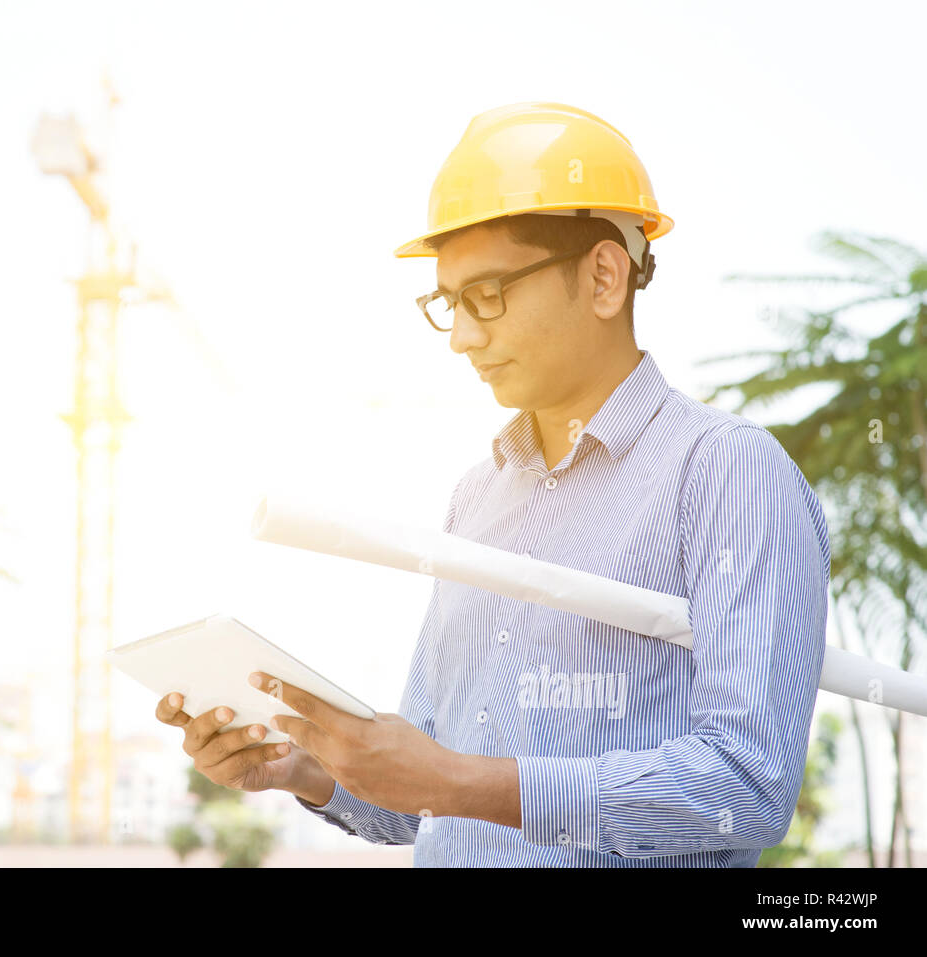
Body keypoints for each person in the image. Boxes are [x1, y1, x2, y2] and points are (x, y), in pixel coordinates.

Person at [155, 102, 831, 866]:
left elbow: (746, 787)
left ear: (604, 275)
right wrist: (303, 767)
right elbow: (429, 787)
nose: (464, 337)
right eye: (449, 304)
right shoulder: (476, 500)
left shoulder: (727, 474)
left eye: (488, 294)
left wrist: (458, 779)